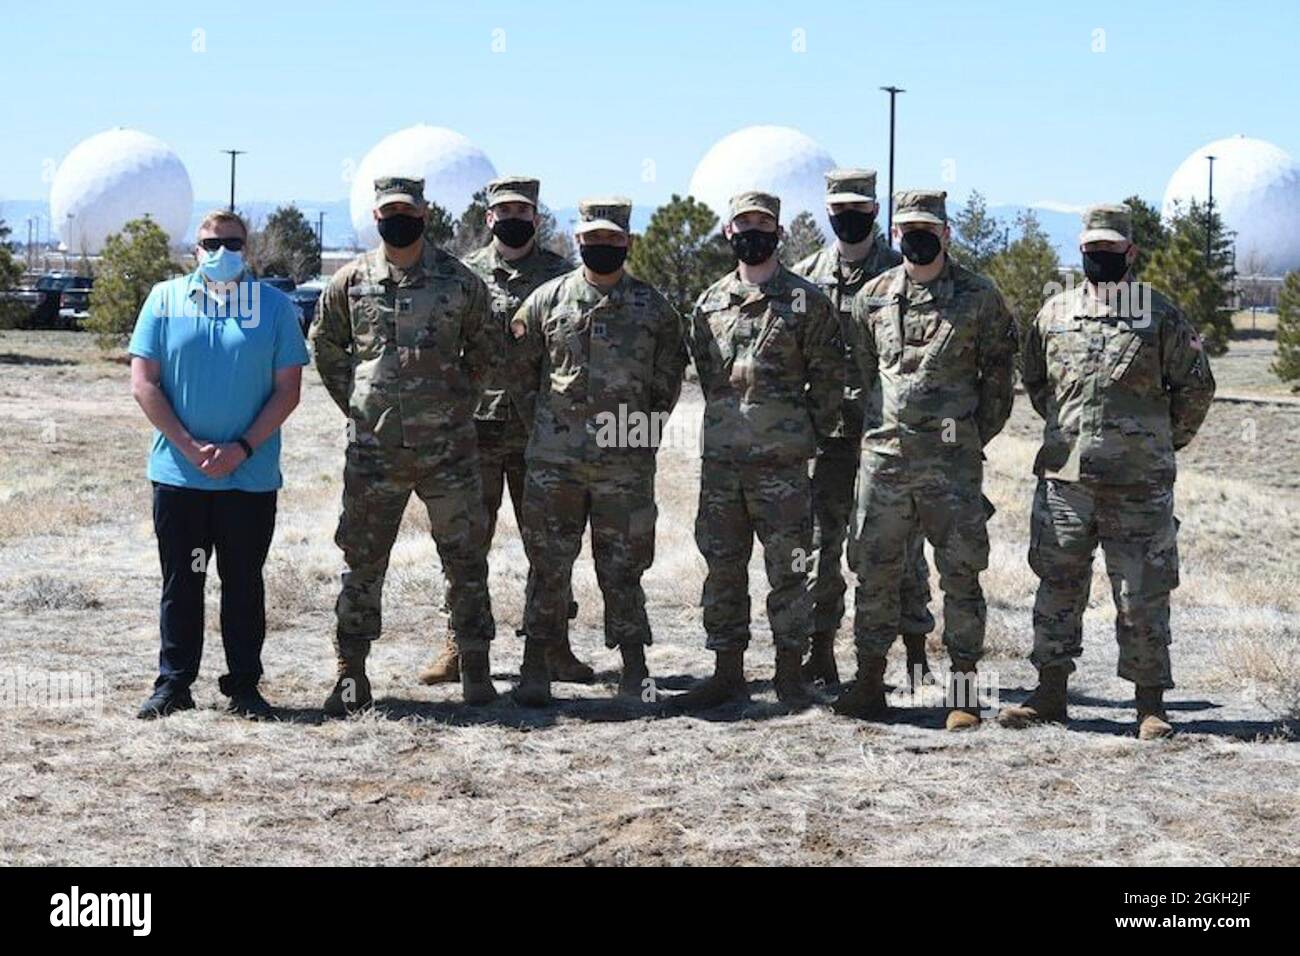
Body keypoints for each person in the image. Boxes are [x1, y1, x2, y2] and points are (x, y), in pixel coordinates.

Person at [1001, 203, 1215, 739]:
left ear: (1130, 252)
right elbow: (1037, 383)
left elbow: (1196, 387)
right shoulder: (1053, 315)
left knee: (1142, 593)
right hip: (1066, 483)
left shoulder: (1158, 314)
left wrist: (1160, 443)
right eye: (1091, 250)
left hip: (1139, 485)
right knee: (1057, 585)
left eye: (1110, 250)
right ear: (1080, 251)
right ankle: (1049, 692)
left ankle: (1149, 704)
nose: (1100, 257)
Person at [310, 176, 496, 715]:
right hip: (375, 450)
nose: (399, 219)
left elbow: (485, 345)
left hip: (449, 448)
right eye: (389, 211)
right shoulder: (350, 281)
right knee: (363, 560)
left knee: (464, 557)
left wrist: (458, 399)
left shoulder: (459, 281)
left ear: (424, 215)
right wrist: (359, 402)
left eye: (407, 211)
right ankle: (351, 672)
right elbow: (325, 343)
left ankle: (475, 664)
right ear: (376, 218)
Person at [841, 189, 1017, 730]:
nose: (916, 237)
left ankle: (962, 693)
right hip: (884, 464)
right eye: (907, 228)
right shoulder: (870, 297)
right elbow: (865, 374)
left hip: (951, 469)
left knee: (961, 576)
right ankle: (870, 681)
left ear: (946, 233)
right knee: (874, 574)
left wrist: (963, 437)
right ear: (895, 234)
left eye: (927, 228)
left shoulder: (979, 297)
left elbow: (998, 385)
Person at [507, 197, 687, 706]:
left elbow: (667, 379)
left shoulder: (654, 309)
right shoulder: (546, 302)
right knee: (548, 565)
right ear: (577, 238)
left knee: (624, 567)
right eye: (592, 239)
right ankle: (534, 667)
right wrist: (544, 428)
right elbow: (521, 375)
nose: (602, 246)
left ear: (627, 242)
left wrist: (637, 434)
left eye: (612, 239)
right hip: (555, 464)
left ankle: (634, 665)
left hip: (623, 463)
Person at [129, 208, 308, 720]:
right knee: (183, 580)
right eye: (210, 244)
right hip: (180, 478)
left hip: (247, 479)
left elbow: (288, 390)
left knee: (243, 582)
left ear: (245, 249)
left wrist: (241, 449)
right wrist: (189, 446)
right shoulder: (164, 301)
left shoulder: (273, 308)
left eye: (231, 243)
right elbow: (143, 383)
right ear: (195, 250)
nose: (220, 253)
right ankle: (174, 683)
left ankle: (245, 687)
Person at [416, 175, 591, 687]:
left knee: (551, 546)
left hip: (543, 432)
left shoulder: (564, 276)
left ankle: (552, 644)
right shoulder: (463, 275)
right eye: (503, 211)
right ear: (488, 217)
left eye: (523, 211)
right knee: (466, 545)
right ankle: (461, 644)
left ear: (537, 218)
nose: (513, 219)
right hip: (476, 431)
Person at [674, 191, 844, 711]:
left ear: (779, 232)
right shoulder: (709, 304)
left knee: (789, 572)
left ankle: (790, 675)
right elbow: (707, 374)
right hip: (723, 467)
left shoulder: (805, 301)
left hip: (783, 468)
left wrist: (796, 434)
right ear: (728, 232)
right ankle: (727, 672)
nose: (753, 233)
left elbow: (830, 381)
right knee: (723, 568)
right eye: (743, 224)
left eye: (763, 224)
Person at [792, 168, 936, 688]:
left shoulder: (904, 270)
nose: (849, 217)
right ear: (828, 213)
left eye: (859, 209)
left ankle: (917, 651)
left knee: (901, 546)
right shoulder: (805, 277)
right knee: (821, 545)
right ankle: (821, 650)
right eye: (840, 209)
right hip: (828, 435)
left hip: (889, 435)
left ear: (876, 212)